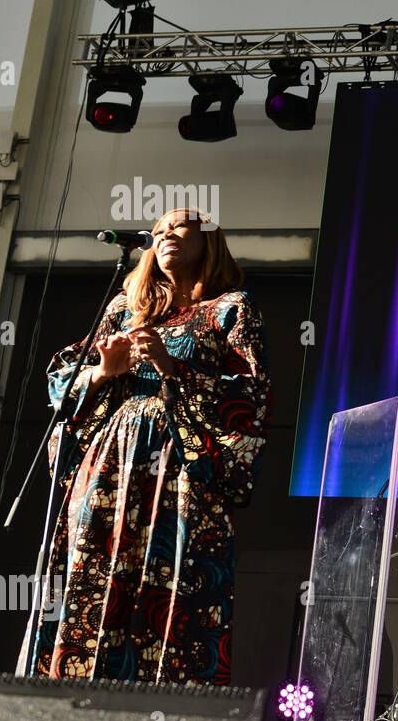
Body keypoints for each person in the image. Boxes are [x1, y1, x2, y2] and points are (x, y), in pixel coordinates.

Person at [19, 207, 271, 684]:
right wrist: (102, 372)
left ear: (209, 238)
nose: (167, 233)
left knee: (170, 573)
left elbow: (251, 395)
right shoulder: (124, 308)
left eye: (180, 226)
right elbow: (62, 382)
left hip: (180, 462)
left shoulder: (231, 307)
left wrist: (174, 369)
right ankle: (73, 700)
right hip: (112, 459)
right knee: (94, 571)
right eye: (158, 230)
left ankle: (161, 708)